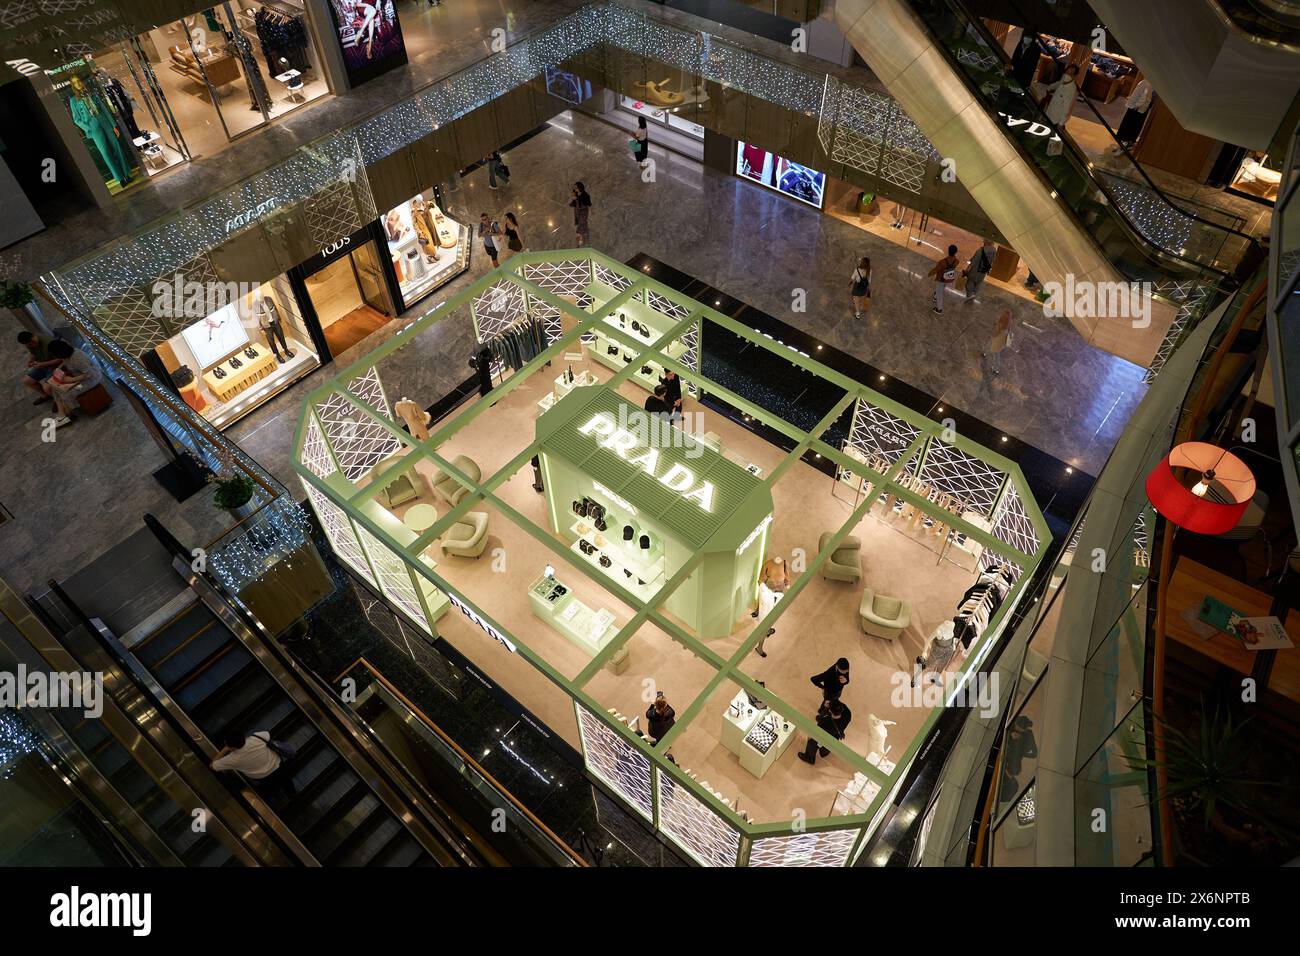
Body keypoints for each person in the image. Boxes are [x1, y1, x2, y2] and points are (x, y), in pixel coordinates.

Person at [210, 728, 295, 801]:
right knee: (287, 783)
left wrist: (224, 750)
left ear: (230, 746)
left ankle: (278, 797)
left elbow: (212, 766)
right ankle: (293, 796)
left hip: (265, 778)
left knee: (270, 791)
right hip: (279, 766)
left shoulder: (232, 759)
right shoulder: (257, 738)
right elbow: (267, 734)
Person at [42, 339, 103, 427]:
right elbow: (65, 361)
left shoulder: (77, 358)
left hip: (91, 379)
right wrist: (59, 368)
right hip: (80, 377)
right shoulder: (67, 354)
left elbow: (89, 374)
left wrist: (72, 380)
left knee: (66, 393)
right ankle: (61, 415)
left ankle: (68, 413)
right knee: (55, 388)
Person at [753, 555, 791, 657]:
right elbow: (760, 580)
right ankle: (759, 647)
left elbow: (787, 581)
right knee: (765, 624)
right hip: (768, 597)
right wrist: (765, 590)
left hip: (777, 597)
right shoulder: (767, 564)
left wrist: (785, 585)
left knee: (772, 618)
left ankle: (767, 628)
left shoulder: (784, 564)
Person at [797, 698, 852, 765]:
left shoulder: (825, 720)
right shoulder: (848, 714)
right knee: (828, 745)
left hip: (824, 736)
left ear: (830, 711)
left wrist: (811, 735)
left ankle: (809, 758)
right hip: (836, 735)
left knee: (811, 742)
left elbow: (818, 730)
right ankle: (823, 753)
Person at [1042, 63, 1080, 155]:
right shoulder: (1063, 80)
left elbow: (1066, 108)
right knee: (1046, 136)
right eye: (1067, 71)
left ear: (1074, 76)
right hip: (1049, 113)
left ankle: (1050, 154)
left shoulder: (1071, 89)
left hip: (1056, 119)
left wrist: (1061, 123)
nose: (1067, 74)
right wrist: (1049, 88)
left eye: (1070, 73)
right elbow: (1057, 84)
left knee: (1052, 140)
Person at [18, 331, 61, 404]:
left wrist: (42, 364)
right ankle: (46, 395)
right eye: (28, 345)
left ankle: (58, 401)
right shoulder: (29, 343)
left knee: (47, 387)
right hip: (43, 365)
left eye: (31, 344)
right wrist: (31, 360)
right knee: (27, 380)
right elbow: (32, 353)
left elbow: (60, 359)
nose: (31, 346)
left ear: (33, 337)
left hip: (54, 367)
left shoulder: (49, 343)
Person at [1116, 77, 1152, 147]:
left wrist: (1137, 105)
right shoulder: (1146, 81)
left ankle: (1126, 142)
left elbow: (1144, 96)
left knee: (1130, 124)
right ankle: (1125, 141)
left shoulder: (1148, 83)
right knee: (1132, 124)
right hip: (1136, 106)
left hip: (1136, 108)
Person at [928, 244, 960, 315]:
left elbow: (936, 270)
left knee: (939, 293)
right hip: (948, 278)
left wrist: (929, 274)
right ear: (955, 252)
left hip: (940, 278)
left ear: (948, 251)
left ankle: (939, 309)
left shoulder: (942, 262)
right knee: (941, 288)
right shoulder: (957, 261)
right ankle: (935, 297)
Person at [982, 307, 1014, 375]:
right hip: (1003, 342)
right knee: (995, 350)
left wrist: (995, 325)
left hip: (997, 340)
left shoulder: (1000, 325)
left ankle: (996, 369)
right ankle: (984, 353)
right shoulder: (1009, 322)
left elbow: (995, 333)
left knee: (995, 354)